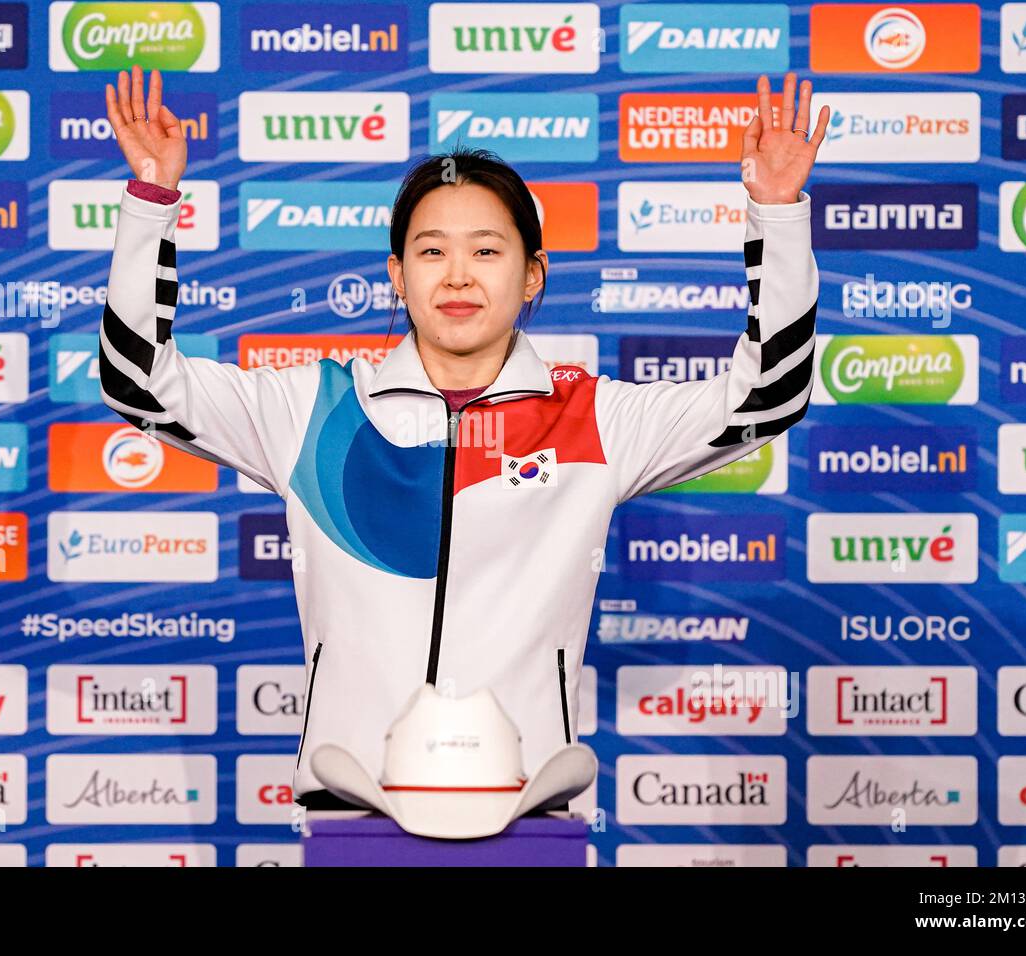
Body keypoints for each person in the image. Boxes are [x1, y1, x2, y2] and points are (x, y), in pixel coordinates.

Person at [99, 66, 828, 813]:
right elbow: (140, 383)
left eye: (486, 251)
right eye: (431, 251)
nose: (458, 277)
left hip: (528, 809)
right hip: (353, 807)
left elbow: (768, 395)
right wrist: (151, 201)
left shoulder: (594, 418)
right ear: (396, 274)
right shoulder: (313, 408)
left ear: (534, 275)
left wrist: (775, 215)